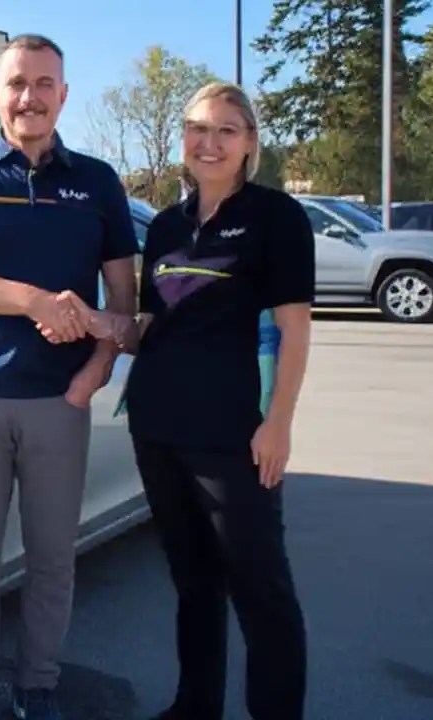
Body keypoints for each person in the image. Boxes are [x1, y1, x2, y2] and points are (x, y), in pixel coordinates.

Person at [73, 81, 314, 720]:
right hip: (156, 427)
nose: (209, 143)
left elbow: (294, 329)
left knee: (261, 590)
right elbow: (152, 325)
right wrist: (98, 323)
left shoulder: (276, 217)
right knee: (193, 582)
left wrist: (278, 424)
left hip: (233, 435)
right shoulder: (167, 226)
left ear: (249, 142)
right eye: (198, 129)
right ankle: (195, 706)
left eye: (226, 130)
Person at [0, 33, 140, 720]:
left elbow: (124, 304)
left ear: (64, 95)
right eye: (17, 84)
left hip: (58, 402)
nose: (30, 97)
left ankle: (40, 686)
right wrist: (36, 302)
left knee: (52, 559)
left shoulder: (98, 182)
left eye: (44, 84)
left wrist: (93, 374)